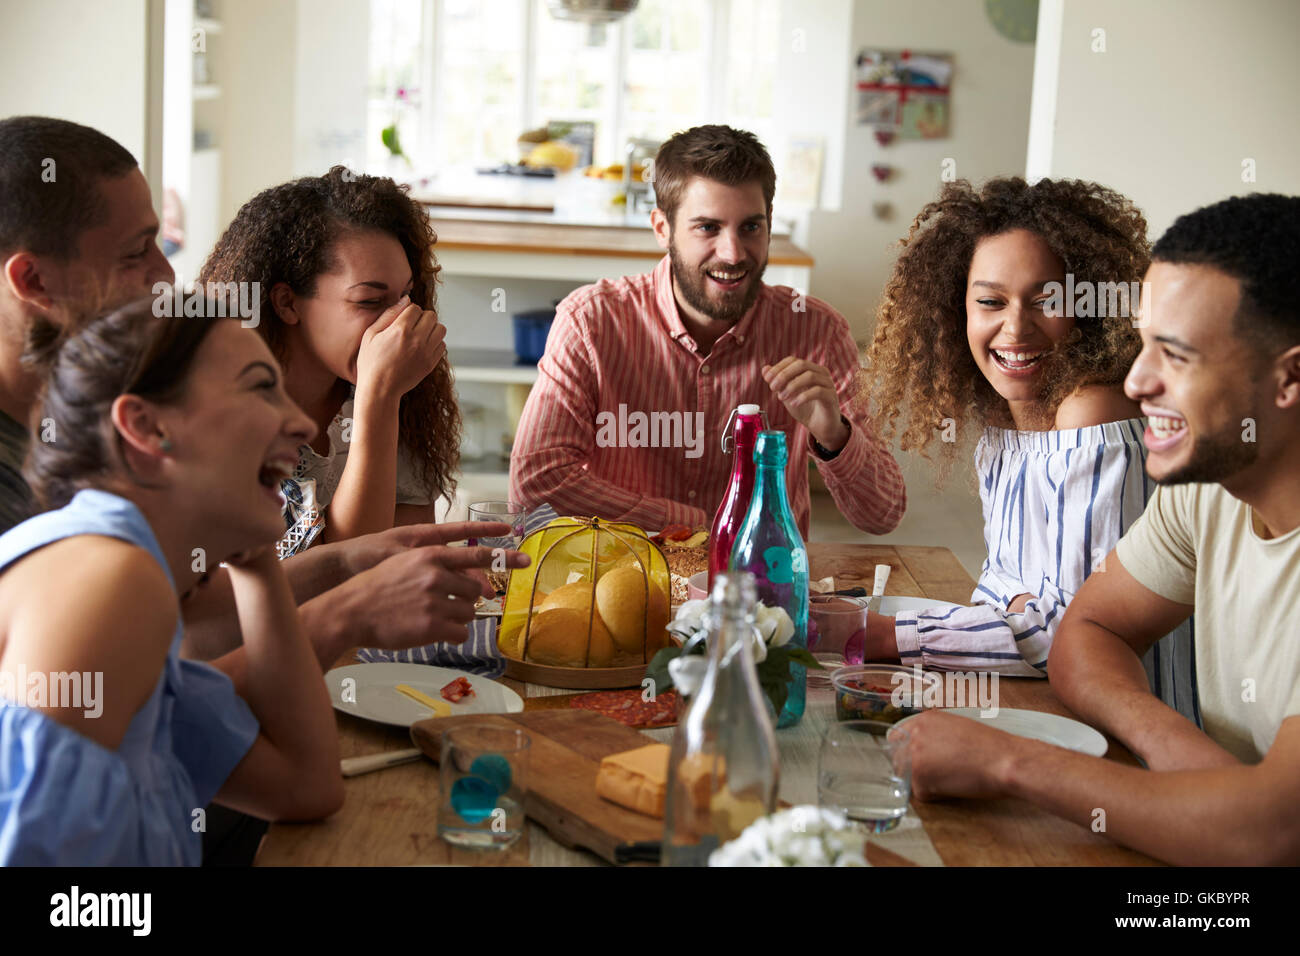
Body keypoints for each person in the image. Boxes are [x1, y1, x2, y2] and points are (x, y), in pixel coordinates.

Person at [0, 116, 524, 667]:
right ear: (33, 282)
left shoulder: (105, 407)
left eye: (160, 242)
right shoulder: (149, 417)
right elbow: (154, 689)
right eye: (136, 253)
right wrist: (343, 606)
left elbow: (187, 618)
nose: (163, 276)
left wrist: (344, 569)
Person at [905, 194, 1300, 866]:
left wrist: (1008, 762)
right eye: (1142, 342)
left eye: (1175, 355)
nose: (1137, 379)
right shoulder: (1204, 493)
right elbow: (1089, 632)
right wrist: (1178, 752)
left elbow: (1272, 832)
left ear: (1289, 377)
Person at [0, 300, 344, 864]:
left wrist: (258, 564)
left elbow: (306, 787)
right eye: (261, 388)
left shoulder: (120, 573)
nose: (304, 423)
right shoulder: (115, 580)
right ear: (147, 426)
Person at [862, 177, 1194, 694]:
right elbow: (999, 591)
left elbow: (1067, 636)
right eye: (991, 302)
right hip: (1058, 702)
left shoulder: (1091, 412)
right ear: (959, 313)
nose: (1015, 329)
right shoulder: (1005, 413)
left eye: (1046, 300)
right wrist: (1022, 609)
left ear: (1087, 308)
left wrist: (879, 634)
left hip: (1135, 735)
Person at [510, 125, 905, 537]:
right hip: (624, 579)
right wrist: (697, 526)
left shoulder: (816, 330)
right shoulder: (591, 322)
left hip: (762, 590)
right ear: (662, 228)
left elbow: (883, 514)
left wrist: (834, 435)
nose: (733, 254)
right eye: (708, 228)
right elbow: (535, 486)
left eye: (751, 227)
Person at [198, 168, 457, 550]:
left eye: (406, 297)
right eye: (369, 301)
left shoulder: (408, 390)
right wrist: (379, 396)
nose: (402, 324)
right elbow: (341, 572)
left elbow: (407, 562)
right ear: (287, 303)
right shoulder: (231, 409)